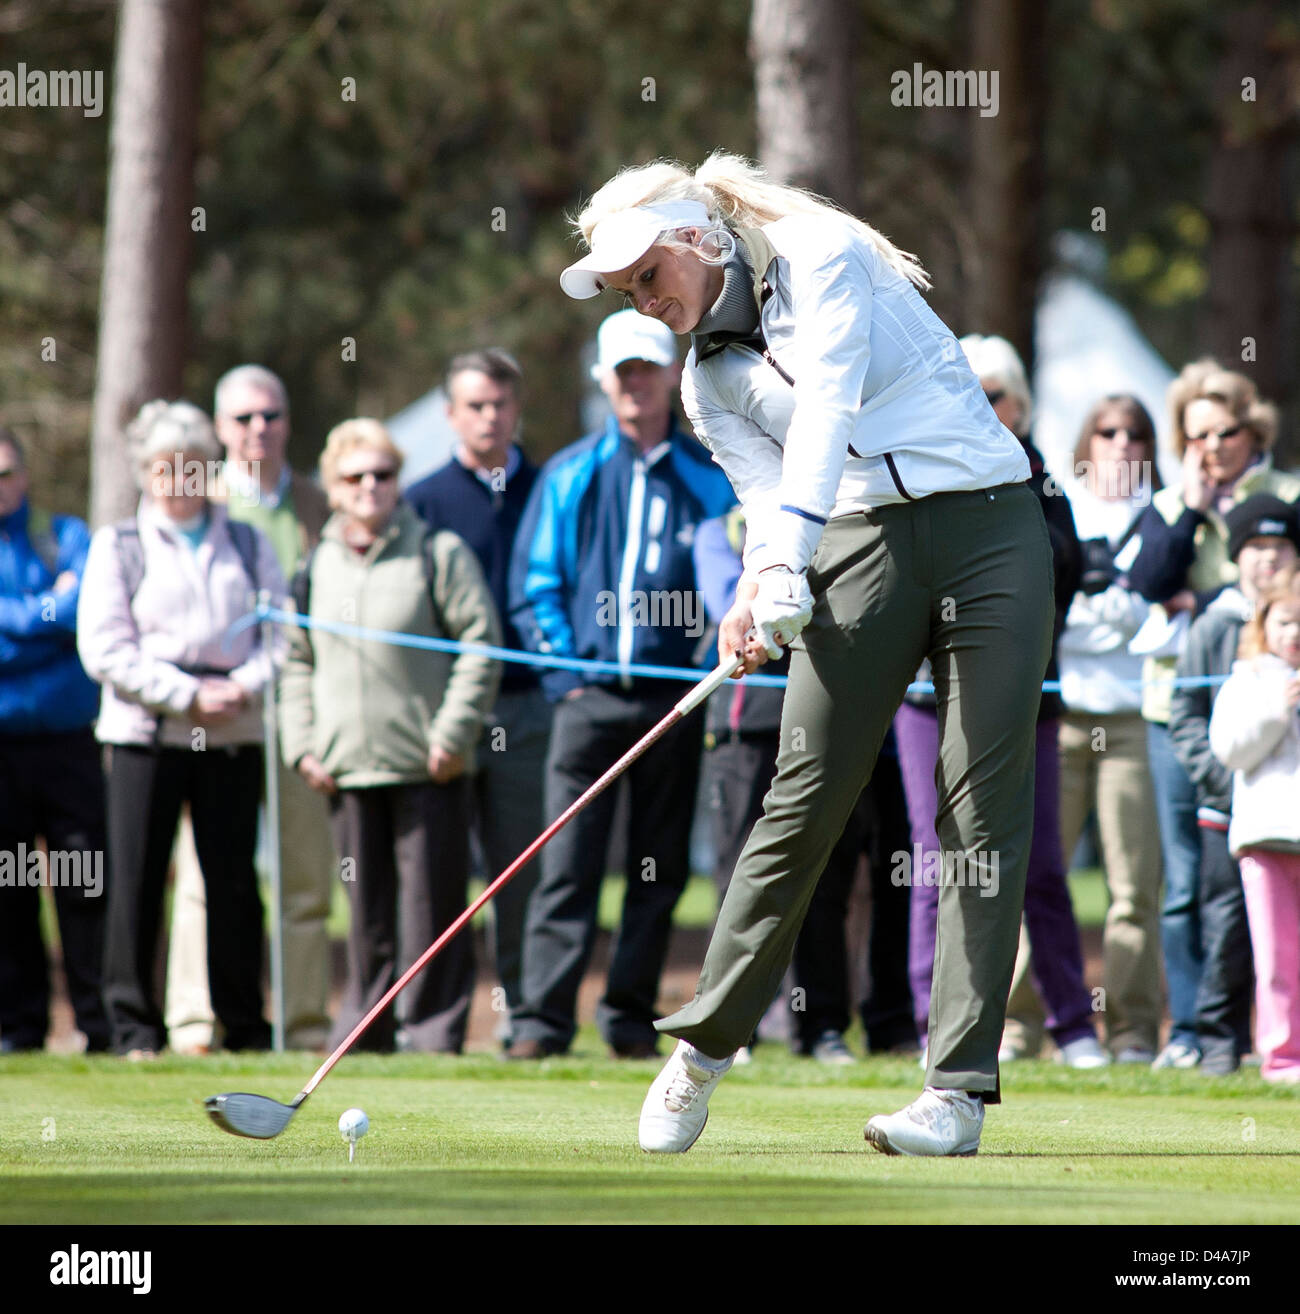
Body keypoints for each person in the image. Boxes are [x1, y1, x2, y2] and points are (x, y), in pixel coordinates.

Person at [558, 151, 1051, 1156]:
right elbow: (758, 492)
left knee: (979, 804)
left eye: (648, 277)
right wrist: (760, 585)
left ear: (696, 238)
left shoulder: (821, 252)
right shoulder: (706, 382)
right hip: (860, 541)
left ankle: (953, 1093)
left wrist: (787, 561)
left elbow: (829, 401)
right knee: (806, 791)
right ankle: (702, 1051)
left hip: (992, 525)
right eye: (625, 293)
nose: (647, 305)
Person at [506, 309, 735, 1060]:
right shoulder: (571, 473)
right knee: (568, 868)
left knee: (658, 869)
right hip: (590, 700)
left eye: (649, 370)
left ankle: (629, 1018)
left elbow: (728, 587)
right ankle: (542, 1024)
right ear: (605, 382)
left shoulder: (709, 479)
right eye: (624, 373)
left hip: (672, 702)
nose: (637, 385)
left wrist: (703, 669)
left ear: (672, 376)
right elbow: (535, 585)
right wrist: (568, 679)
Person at [895, 335, 1106, 1070]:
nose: (983, 408)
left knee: (1041, 865)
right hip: (927, 701)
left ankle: (1074, 1026)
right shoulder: (924, 469)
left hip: (1026, 703)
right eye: (970, 393)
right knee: (935, 864)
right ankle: (932, 1023)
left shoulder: (1043, 483)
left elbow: (1061, 575)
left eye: (996, 396)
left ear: (1020, 405)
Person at [279, 419, 500, 1053]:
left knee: (432, 915)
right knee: (366, 916)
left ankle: (432, 1035)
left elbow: (480, 645)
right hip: (343, 770)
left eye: (384, 474)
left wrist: (453, 733)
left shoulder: (438, 551)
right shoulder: (312, 564)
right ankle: (367, 1035)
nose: (371, 486)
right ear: (334, 487)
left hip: (428, 768)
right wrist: (302, 746)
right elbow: (295, 661)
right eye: (356, 477)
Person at [77, 401, 284, 1057]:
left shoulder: (248, 541)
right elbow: (105, 649)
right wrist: (187, 694)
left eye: (193, 465)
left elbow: (280, 633)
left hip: (231, 733)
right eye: (166, 466)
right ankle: (133, 1027)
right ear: (144, 471)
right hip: (146, 734)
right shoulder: (119, 545)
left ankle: (244, 1025)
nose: (179, 478)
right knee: (137, 878)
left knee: (232, 885)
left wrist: (240, 688)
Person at [695, 506, 916, 1063]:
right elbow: (741, 603)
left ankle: (820, 1026)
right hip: (750, 725)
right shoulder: (721, 528)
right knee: (741, 875)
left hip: (830, 720)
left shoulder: (839, 519)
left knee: (827, 878)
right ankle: (729, 1026)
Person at [1127, 361, 1300, 1070]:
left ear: (1251, 428)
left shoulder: (1284, 495)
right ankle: (1192, 1033)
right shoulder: (1175, 501)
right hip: (1179, 709)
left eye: (1226, 430)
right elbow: (1147, 581)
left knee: (1254, 881)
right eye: (1198, 435)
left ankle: (1258, 1035)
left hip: (1276, 716)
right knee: (1186, 884)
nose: (1214, 446)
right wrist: (1193, 505)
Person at [165, 364, 334, 1053]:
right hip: (214, 722)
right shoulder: (197, 504)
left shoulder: (322, 505)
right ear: (219, 428)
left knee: (304, 881)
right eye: (242, 419)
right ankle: (196, 1022)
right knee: (207, 880)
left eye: (271, 415)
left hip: (300, 715)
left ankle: (302, 1026)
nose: (258, 430)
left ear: (288, 421)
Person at [405, 350, 549, 1043]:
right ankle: (435, 1028)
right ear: (450, 415)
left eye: (500, 403)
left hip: (530, 707)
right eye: (475, 405)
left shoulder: (552, 487)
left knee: (522, 872)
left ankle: (525, 1021)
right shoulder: (423, 500)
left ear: (517, 408)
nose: (490, 417)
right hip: (448, 713)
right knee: (435, 880)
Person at [1052, 394, 1166, 1063]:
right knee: (1042, 880)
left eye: (1136, 433)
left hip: (1132, 717)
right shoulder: (1061, 502)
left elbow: (1160, 623)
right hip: (1060, 712)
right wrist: (1123, 611)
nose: (1122, 442)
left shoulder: (1165, 513)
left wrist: (1113, 614)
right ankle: (1024, 1026)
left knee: (1133, 889)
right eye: (1108, 430)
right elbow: (1058, 615)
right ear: (1086, 439)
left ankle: (1130, 1033)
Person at [1169, 496, 1300, 1073]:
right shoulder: (1213, 623)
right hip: (1232, 807)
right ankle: (1219, 1044)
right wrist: (1225, 783)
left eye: (1279, 547)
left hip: (1281, 813)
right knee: (1222, 925)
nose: (1266, 560)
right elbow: (1188, 713)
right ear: (1236, 557)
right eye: (1254, 548)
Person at [0, 427, 109, 1053]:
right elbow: (53, 619)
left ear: (26, 475)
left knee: (85, 883)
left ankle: (98, 1024)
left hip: (68, 742)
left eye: (8, 472)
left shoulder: (63, 535)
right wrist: (43, 612)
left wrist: (23, 618)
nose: (2, 487)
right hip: (4, 749)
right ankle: (21, 1027)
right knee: (11, 891)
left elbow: (78, 614)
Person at [1209, 575, 1300, 1083]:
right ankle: (1283, 1057)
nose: (1294, 633)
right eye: (1286, 621)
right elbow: (1230, 750)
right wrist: (1276, 710)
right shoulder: (1247, 681)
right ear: (1265, 624)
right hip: (1266, 836)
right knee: (1277, 956)